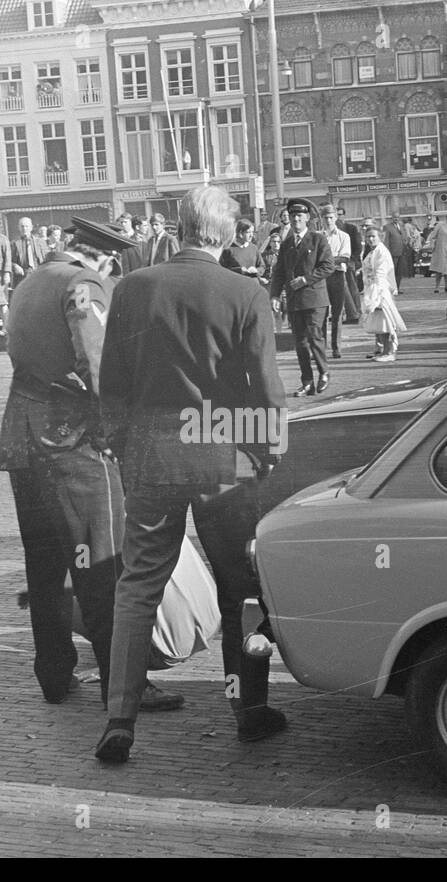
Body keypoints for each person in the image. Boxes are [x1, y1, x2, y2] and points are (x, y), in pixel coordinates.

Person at [96, 184, 287, 764]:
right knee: (242, 590)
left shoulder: (131, 289)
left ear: (179, 227)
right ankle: (248, 709)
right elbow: (266, 386)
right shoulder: (245, 292)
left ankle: (119, 717)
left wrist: (121, 445)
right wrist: (268, 448)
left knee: (137, 587)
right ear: (227, 236)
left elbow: (113, 383)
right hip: (224, 454)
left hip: (152, 454)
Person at [0, 217, 184, 712]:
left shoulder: (29, 281)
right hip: (74, 444)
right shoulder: (83, 285)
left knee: (46, 566)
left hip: (23, 439)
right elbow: (97, 364)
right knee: (103, 564)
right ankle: (124, 686)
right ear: (104, 259)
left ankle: (55, 673)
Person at [269, 198, 334, 397]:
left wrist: (305, 279)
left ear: (307, 218)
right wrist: (274, 295)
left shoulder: (318, 239)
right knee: (300, 343)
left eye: (299, 216)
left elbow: (327, 266)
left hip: (315, 299)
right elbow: (279, 271)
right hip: (295, 300)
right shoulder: (287, 243)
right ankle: (307, 382)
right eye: (292, 216)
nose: (296, 219)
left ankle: (324, 372)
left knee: (315, 337)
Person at [360, 225, 405, 362]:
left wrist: (377, 293)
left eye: (373, 236)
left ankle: (389, 351)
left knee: (386, 322)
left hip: (380, 290)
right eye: (368, 236)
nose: (371, 239)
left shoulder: (382, 251)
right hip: (372, 288)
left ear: (380, 237)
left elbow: (380, 273)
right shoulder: (372, 251)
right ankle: (383, 350)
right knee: (379, 323)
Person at [320, 204, 359, 358]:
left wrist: (325, 260)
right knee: (321, 313)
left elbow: (345, 257)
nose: (329, 220)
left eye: (331, 217)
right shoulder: (317, 236)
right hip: (321, 277)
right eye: (326, 218)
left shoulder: (344, 236)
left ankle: (336, 347)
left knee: (337, 313)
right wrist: (328, 261)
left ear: (336, 218)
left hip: (337, 275)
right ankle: (320, 347)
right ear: (321, 219)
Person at [10, 216, 46, 290]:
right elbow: (8, 260)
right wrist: (15, 266)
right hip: (22, 275)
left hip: (38, 273)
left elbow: (46, 259)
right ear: (19, 228)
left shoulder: (40, 242)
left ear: (31, 227)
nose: (24, 229)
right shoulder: (14, 243)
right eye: (22, 226)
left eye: (27, 226)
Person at [381, 216, 407, 292]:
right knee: (391, 271)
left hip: (401, 252)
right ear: (392, 218)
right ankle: (390, 288)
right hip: (392, 253)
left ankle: (397, 288)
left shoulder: (401, 226)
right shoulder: (387, 227)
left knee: (399, 272)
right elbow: (386, 241)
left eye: (398, 217)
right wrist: (386, 252)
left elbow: (404, 237)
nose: (396, 219)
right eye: (394, 217)